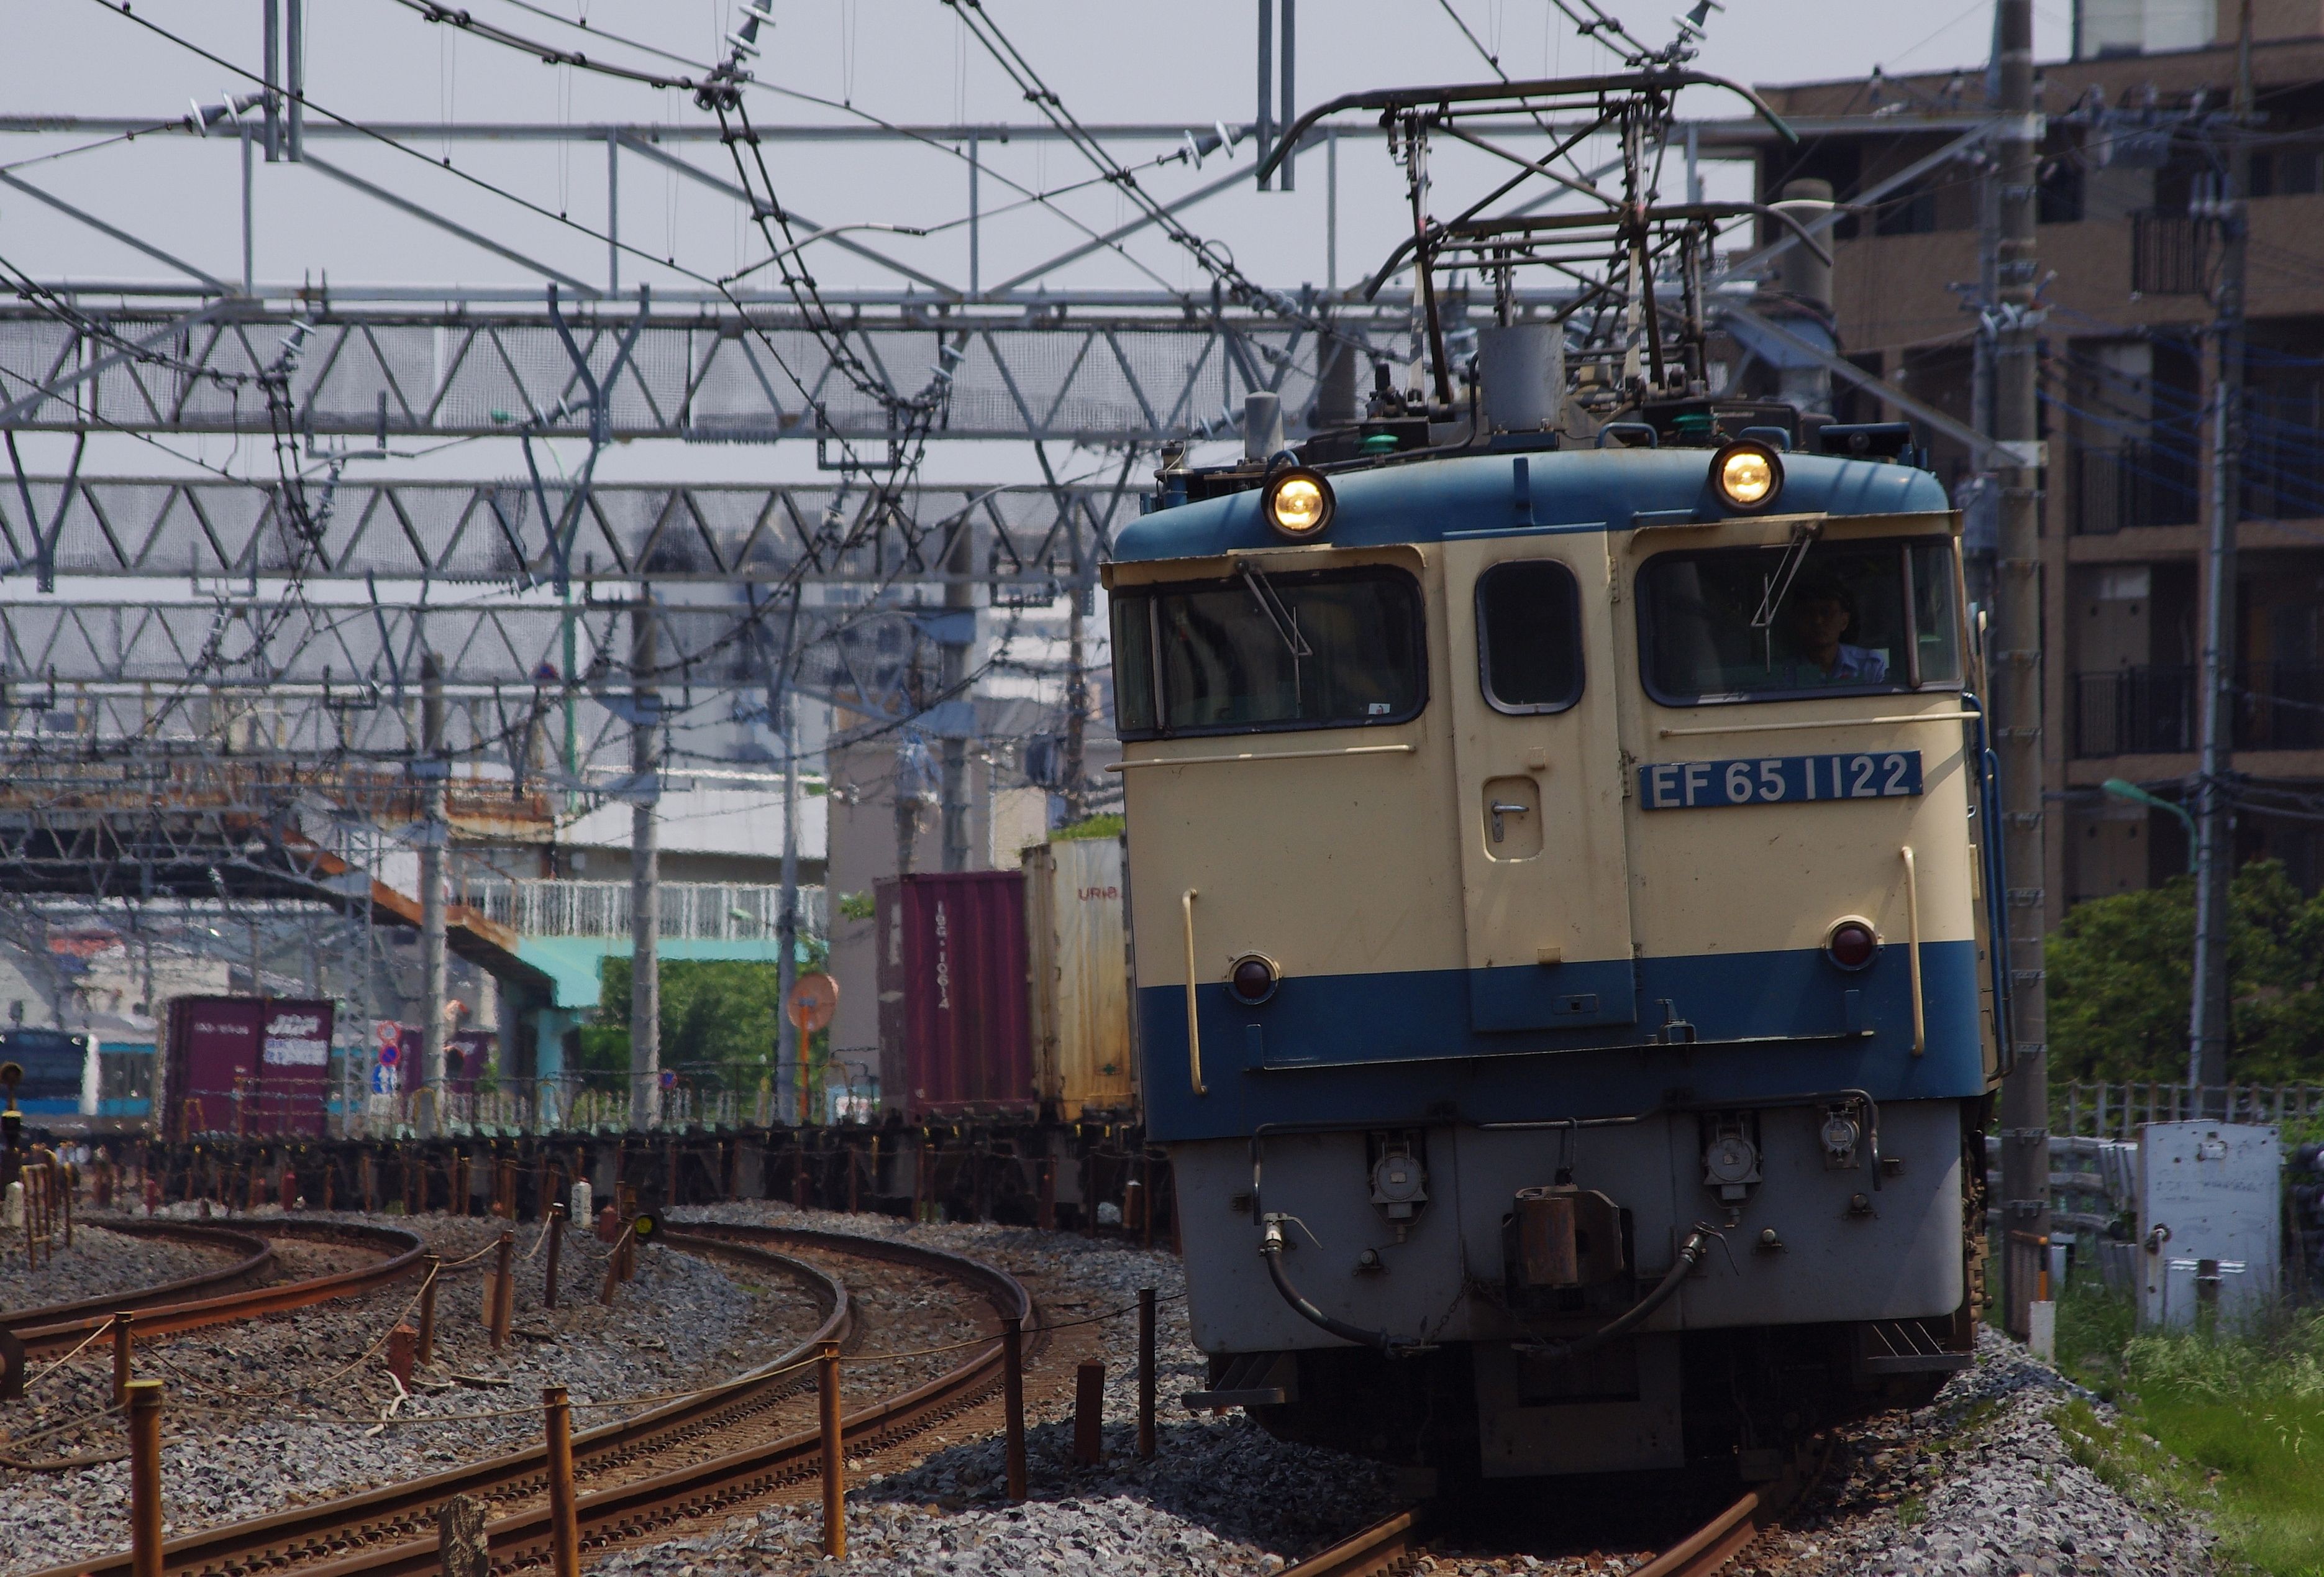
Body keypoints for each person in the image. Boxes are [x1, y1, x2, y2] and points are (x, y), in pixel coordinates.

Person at [1777, 574, 1888, 685]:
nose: (1818, 620)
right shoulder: (1781, 674)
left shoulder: (1870, 665)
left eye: (1826, 612)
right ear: (1797, 620)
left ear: (1844, 621)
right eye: (1808, 613)